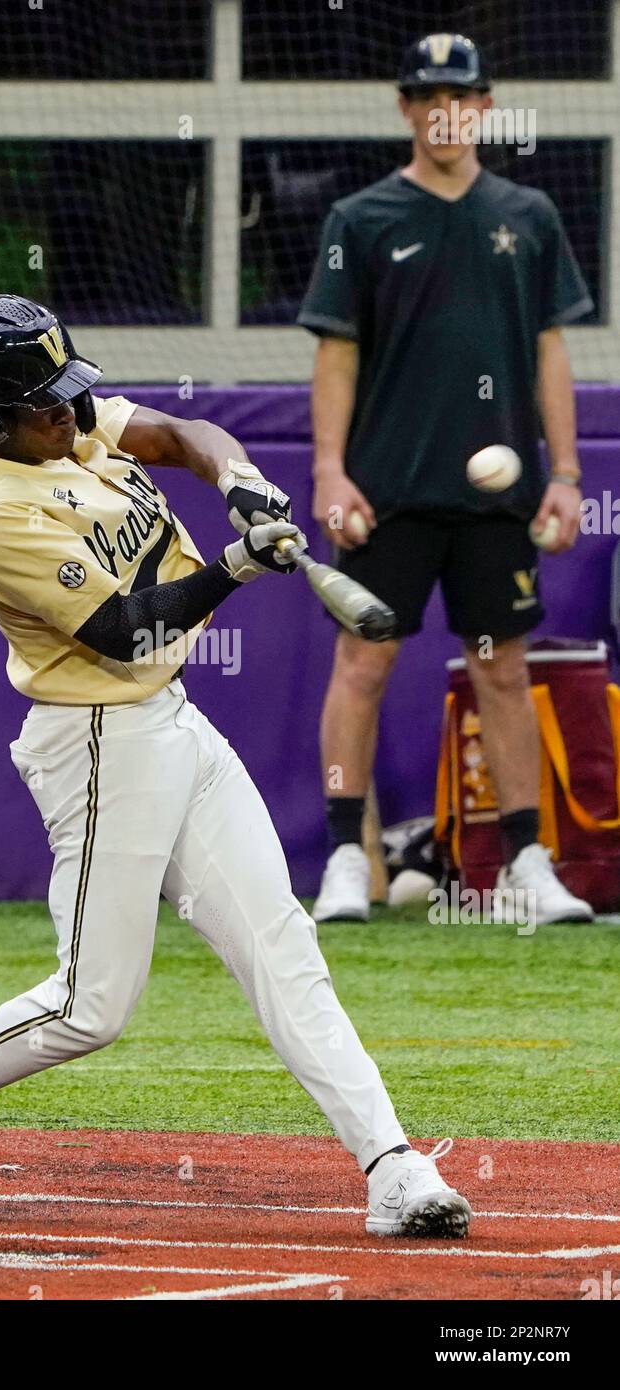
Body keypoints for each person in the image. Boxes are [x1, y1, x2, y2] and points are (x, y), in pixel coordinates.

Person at [0, 294, 471, 1239]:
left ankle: (391, 1165)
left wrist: (241, 481)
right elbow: (129, 635)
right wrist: (239, 569)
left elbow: (179, 431)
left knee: (279, 943)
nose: (73, 416)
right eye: (47, 406)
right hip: (95, 741)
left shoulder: (55, 422)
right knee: (92, 1008)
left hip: (171, 724)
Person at [298, 32, 594, 925]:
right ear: (406, 109)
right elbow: (336, 357)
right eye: (428, 97)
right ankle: (349, 857)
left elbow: (549, 351)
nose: (444, 112)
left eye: (459, 97)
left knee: (501, 670)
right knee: (362, 662)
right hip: (385, 491)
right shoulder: (361, 220)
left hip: (497, 501)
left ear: (483, 105)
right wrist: (329, 472)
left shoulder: (530, 218)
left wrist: (567, 473)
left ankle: (527, 865)